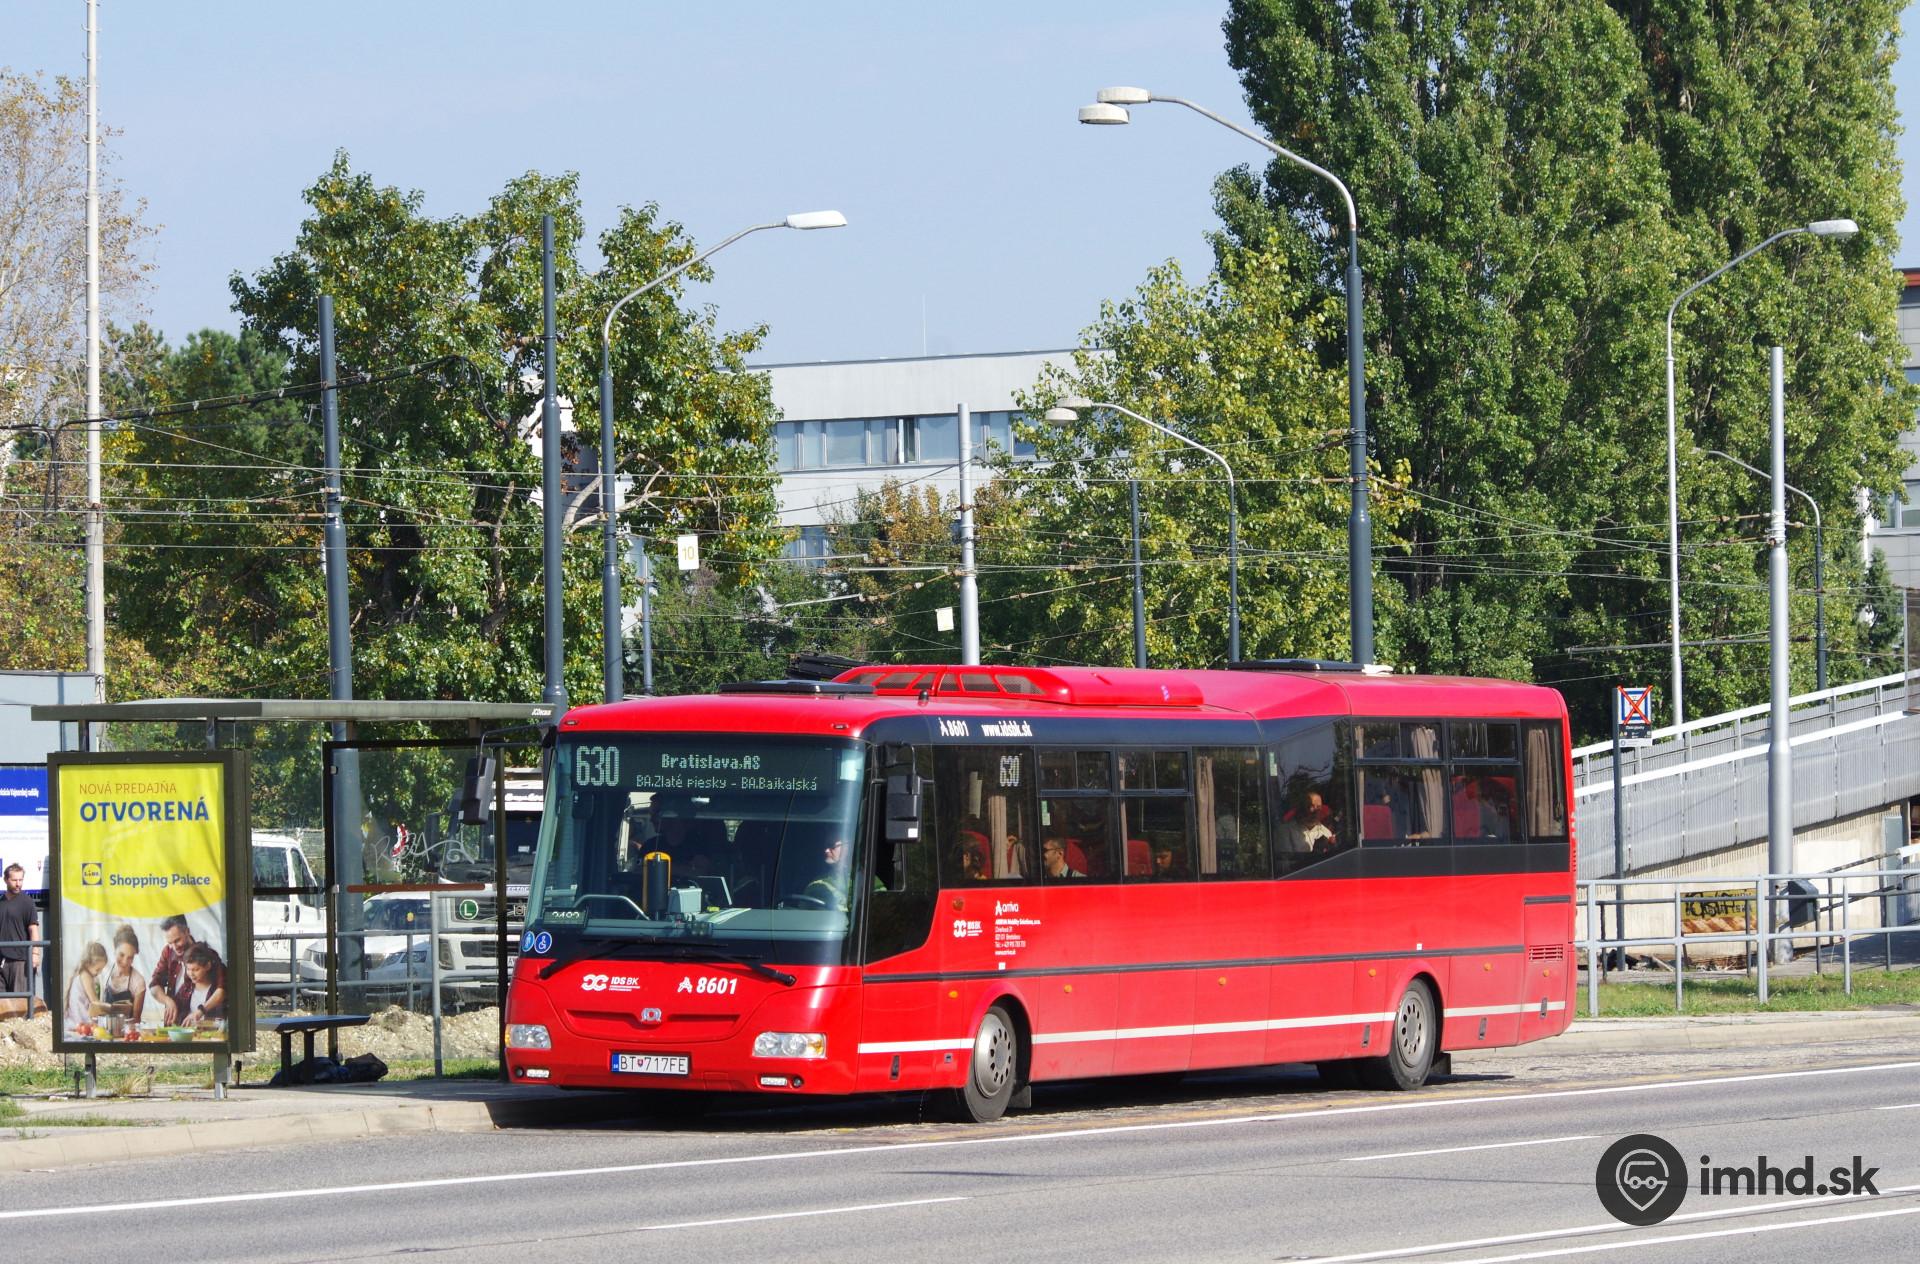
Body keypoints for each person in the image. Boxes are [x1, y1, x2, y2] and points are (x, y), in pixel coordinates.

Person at [148, 914, 200, 1025]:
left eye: (177, 941)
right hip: (173, 1025)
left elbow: (221, 988)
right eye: (170, 943)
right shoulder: (168, 951)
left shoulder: (202, 953)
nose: (174, 947)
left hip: (197, 1024)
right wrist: (167, 1000)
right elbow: (154, 984)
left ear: (187, 932)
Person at [0, 862, 41, 1003]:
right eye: (14, 880)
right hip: (2, 960)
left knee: (21, 1003)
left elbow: (33, 929)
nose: (18, 884)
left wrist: (35, 954)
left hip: (21, 960)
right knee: (3, 1004)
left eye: (20, 880)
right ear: (5, 880)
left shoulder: (27, 902)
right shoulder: (1, 902)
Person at [100, 924, 147, 1023]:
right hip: (103, 1031)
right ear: (114, 949)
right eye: (121, 955)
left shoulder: (138, 981)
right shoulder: (103, 971)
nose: (125, 962)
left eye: (130, 957)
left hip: (126, 1032)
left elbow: (136, 1018)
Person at [65, 940, 108, 1037]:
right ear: (88, 964)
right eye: (98, 969)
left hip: (77, 1019)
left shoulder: (84, 974)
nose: (99, 972)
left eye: (101, 969)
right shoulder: (86, 976)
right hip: (80, 1020)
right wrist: (108, 1010)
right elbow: (94, 1001)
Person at [180, 943, 226, 1025]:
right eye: (188, 969)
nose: (191, 974)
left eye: (196, 969)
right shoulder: (186, 988)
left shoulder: (217, 990)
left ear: (207, 966)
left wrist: (201, 1012)